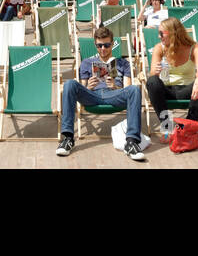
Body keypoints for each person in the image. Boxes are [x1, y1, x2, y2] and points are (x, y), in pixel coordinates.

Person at [57, 25, 146, 162]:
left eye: (106, 45)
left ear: (112, 44)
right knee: (69, 84)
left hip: (114, 95)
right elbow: (82, 87)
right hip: (93, 95)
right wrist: (89, 87)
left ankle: (131, 142)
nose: (103, 49)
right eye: (99, 46)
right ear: (95, 45)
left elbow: (128, 89)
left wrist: (115, 86)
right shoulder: (87, 63)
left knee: (134, 89)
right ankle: (68, 138)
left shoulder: (123, 63)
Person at [145, 17, 198, 128]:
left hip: (187, 90)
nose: (158, 36)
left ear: (173, 33)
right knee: (152, 81)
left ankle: (186, 127)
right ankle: (167, 127)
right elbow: (152, 74)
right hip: (166, 90)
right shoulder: (159, 48)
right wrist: (154, 72)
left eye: (161, 33)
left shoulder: (194, 48)